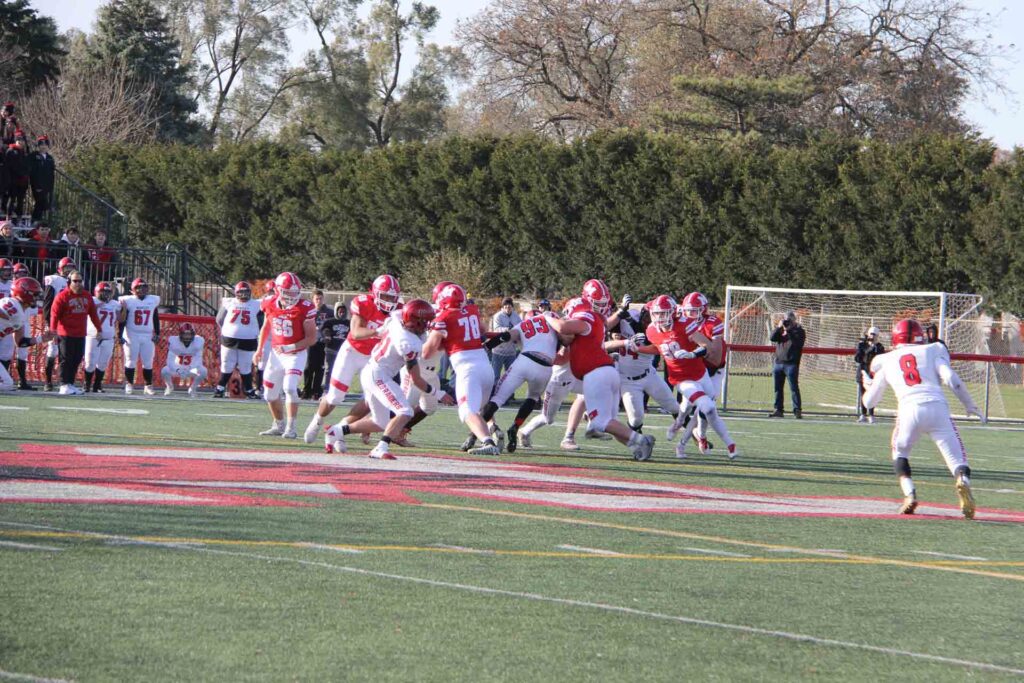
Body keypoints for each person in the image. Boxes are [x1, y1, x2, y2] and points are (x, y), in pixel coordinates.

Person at [862, 319, 983, 518]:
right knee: (957, 459)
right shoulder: (933, 350)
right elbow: (951, 378)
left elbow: (869, 403)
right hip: (938, 407)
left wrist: (868, 387)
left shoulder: (887, 360)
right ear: (920, 336)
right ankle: (963, 480)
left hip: (909, 409)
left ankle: (910, 494)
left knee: (900, 452)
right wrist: (969, 404)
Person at [325, 299, 453, 459]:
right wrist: (438, 393)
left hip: (373, 371)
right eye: (424, 321)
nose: (427, 324)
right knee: (405, 411)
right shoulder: (408, 343)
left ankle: (336, 431)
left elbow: (411, 311)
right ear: (415, 322)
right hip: (378, 375)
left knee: (380, 422)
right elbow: (416, 379)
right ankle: (381, 447)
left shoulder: (397, 318)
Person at [546, 279, 655, 461]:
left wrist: (547, 316)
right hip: (609, 372)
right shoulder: (598, 320)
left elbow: (563, 327)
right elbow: (570, 339)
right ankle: (636, 447)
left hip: (596, 374)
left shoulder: (586, 316)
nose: (602, 307)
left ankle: (641, 439)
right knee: (609, 422)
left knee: (599, 422)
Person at [639, 294, 738, 460]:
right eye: (656, 313)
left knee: (690, 409)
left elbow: (712, 352)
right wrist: (637, 348)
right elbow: (659, 348)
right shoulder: (651, 331)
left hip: (703, 371)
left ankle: (679, 427)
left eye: (663, 313)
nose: (659, 318)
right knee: (707, 407)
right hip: (681, 378)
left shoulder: (689, 324)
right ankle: (728, 444)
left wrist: (692, 355)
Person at [304, 274, 398, 444]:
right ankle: (317, 420)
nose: (389, 300)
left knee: (371, 400)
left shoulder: (399, 311)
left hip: (374, 358)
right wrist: (379, 331)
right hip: (352, 352)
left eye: (392, 296)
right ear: (375, 293)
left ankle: (338, 430)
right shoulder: (363, 303)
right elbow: (355, 332)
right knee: (335, 397)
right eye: (385, 295)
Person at [422, 282, 501, 455]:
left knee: (467, 410)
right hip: (485, 366)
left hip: (467, 369)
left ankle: (488, 442)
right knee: (478, 410)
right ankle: (491, 433)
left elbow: (428, 352)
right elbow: (481, 332)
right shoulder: (472, 310)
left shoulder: (442, 319)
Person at [475, 307, 562, 453]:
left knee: (498, 398)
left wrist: (487, 346)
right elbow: (566, 340)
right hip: (546, 366)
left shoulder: (523, 324)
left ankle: (474, 435)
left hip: (525, 360)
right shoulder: (554, 324)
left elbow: (505, 336)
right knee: (532, 398)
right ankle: (515, 427)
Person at [254, 272, 318, 439]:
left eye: (295, 292)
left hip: (295, 354)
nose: (292, 296)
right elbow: (266, 327)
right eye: (288, 292)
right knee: (269, 394)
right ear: (278, 291)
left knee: (289, 387)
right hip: (276, 353)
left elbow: (311, 338)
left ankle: (291, 427)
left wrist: (290, 346)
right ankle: (279, 424)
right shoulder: (269, 302)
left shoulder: (305, 307)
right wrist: (259, 349)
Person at [49, 270, 102, 395]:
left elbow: (93, 314)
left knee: (77, 359)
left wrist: (99, 329)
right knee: (65, 359)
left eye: (80, 281)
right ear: (69, 282)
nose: (78, 283)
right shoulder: (62, 296)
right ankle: (63, 384)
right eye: (75, 281)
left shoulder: (87, 296)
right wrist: (53, 332)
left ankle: (70, 384)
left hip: (80, 333)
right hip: (65, 333)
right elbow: (54, 315)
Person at [0, 276, 51, 392]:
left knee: (7, 383)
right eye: (35, 294)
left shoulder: (21, 313)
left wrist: (41, 338)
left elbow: (20, 342)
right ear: (25, 293)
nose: (37, 298)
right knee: (7, 383)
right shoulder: (11, 304)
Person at [214, 281, 262, 398]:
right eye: (241, 292)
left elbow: (219, 320)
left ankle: (248, 390)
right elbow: (219, 319)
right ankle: (220, 389)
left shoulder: (256, 304)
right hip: (232, 339)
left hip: (246, 339)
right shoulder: (230, 302)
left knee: (245, 366)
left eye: (246, 292)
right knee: (228, 364)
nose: (244, 294)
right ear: (236, 293)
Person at [119, 277, 161, 395]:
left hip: (147, 335)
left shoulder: (152, 300)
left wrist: (157, 333)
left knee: (148, 361)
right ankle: (129, 384)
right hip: (131, 334)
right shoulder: (128, 300)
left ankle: (148, 385)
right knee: (130, 361)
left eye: (143, 287)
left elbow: (155, 317)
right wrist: (119, 334)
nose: (141, 290)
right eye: (138, 287)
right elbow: (123, 319)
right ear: (132, 290)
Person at [41, 256, 76, 391]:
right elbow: (47, 304)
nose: (68, 271)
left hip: (68, 322)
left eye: (70, 268)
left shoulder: (74, 283)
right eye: (66, 268)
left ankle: (64, 382)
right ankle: (48, 381)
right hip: (55, 321)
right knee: (53, 350)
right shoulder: (54, 280)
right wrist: (50, 325)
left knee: (66, 353)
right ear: (59, 269)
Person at [84, 281, 122, 393]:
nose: (105, 294)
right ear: (97, 292)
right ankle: (87, 384)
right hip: (92, 336)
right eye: (103, 292)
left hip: (108, 337)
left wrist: (123, 308)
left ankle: (97, 385)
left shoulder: (115, 304)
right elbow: (85, 309)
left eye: (108, 292)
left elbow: (120, 319)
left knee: (103, 363)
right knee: (90, 362)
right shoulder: (92, 300)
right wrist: (98, 305)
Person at [769, 310, 805, 418]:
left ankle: (797, 410)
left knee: (794, 388)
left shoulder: (799, 331)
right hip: (778, 363)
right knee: (778, 388)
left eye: (789, 320)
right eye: (786, 320)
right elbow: (772, 338)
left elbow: (797, 343)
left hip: (791, 364)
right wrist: (779, 327)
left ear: (794, 320)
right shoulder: (781, 330)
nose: (787, 322)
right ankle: (778, 410)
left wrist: (788, 330)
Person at [162, 322, 207, 397]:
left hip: (191, 369)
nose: (187, 337)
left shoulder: (198, 342)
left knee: (203, 371)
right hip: (177, 368)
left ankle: (193, 389)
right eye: (185, 334)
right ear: (180, 334)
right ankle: (169, 387)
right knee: (164, 370)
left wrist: (189, 368)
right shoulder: (174, 342)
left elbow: (198, 361)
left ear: (193, 334)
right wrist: (178, 370)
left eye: (189, 334)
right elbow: (169, 361)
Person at [301, 289, 331, 400]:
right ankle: (307, 390)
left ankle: (316, 390)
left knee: (320, 367)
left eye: (320, 298)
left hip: (322, 343)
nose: (319, 301)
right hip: (310, 341)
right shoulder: (308, 311)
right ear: (313, 299)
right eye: (316, 299)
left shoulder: (329, 312)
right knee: (308, 367)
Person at [854, 326, 884, 423]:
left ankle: (871, 414)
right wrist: (867, 348)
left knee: (872, 394)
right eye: (871, 334)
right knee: (863, 394)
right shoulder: (862, 345)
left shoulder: (879, 347)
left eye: (874, 335)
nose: (872, 336)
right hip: (863, 372)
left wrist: (874, 347)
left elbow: (880, 360)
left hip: (873, 374)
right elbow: (857, 358)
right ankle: (863, 414)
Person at [489, 297, 521, 383]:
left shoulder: (516, 316)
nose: (507, 309)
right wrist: (508, 329)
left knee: (510, 376)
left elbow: (521, 328)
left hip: (511, 351)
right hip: (498, 350)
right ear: (502, 308)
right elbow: (496, 329)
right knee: (495, 376)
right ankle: (493, 394)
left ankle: (510, 395)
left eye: (509, 307)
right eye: (505, 307)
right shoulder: (497, 316)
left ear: (512, 307)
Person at [319, 301, 349, 392]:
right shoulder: (330, 321)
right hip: (331, 349)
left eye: (343, 312)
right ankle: (327, 389)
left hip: (344, 351)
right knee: (329, 370)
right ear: (336, 311)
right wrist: (326, 336)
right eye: (340, 311)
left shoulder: (349, 323)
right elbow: (324, 330)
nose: (342, 313)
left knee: (342, 372)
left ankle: (340, 390)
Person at [28, 136, 55, 223]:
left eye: (45, 144)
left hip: (47, 185)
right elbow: (32, 171)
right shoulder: (34, 156)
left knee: (41, 203)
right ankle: (35, 220)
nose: (43, 146)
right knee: (41, 202)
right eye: (41, 144)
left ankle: (37, 219)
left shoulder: (50, 158)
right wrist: (36, 184)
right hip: (37, 184)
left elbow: (51, 173)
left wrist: (51, 186)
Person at [4, 135, 29, 219]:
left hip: (23, 181)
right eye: (19, 141)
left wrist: (25, 174)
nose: (21, 143)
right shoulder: (11, 151)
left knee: (20, 200)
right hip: (13, 179)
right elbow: (10, 166)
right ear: (15, 141)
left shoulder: (24, 152)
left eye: (22, 141)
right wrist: (21, 173)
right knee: (12, 199)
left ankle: (19, 217)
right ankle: (8, 216)